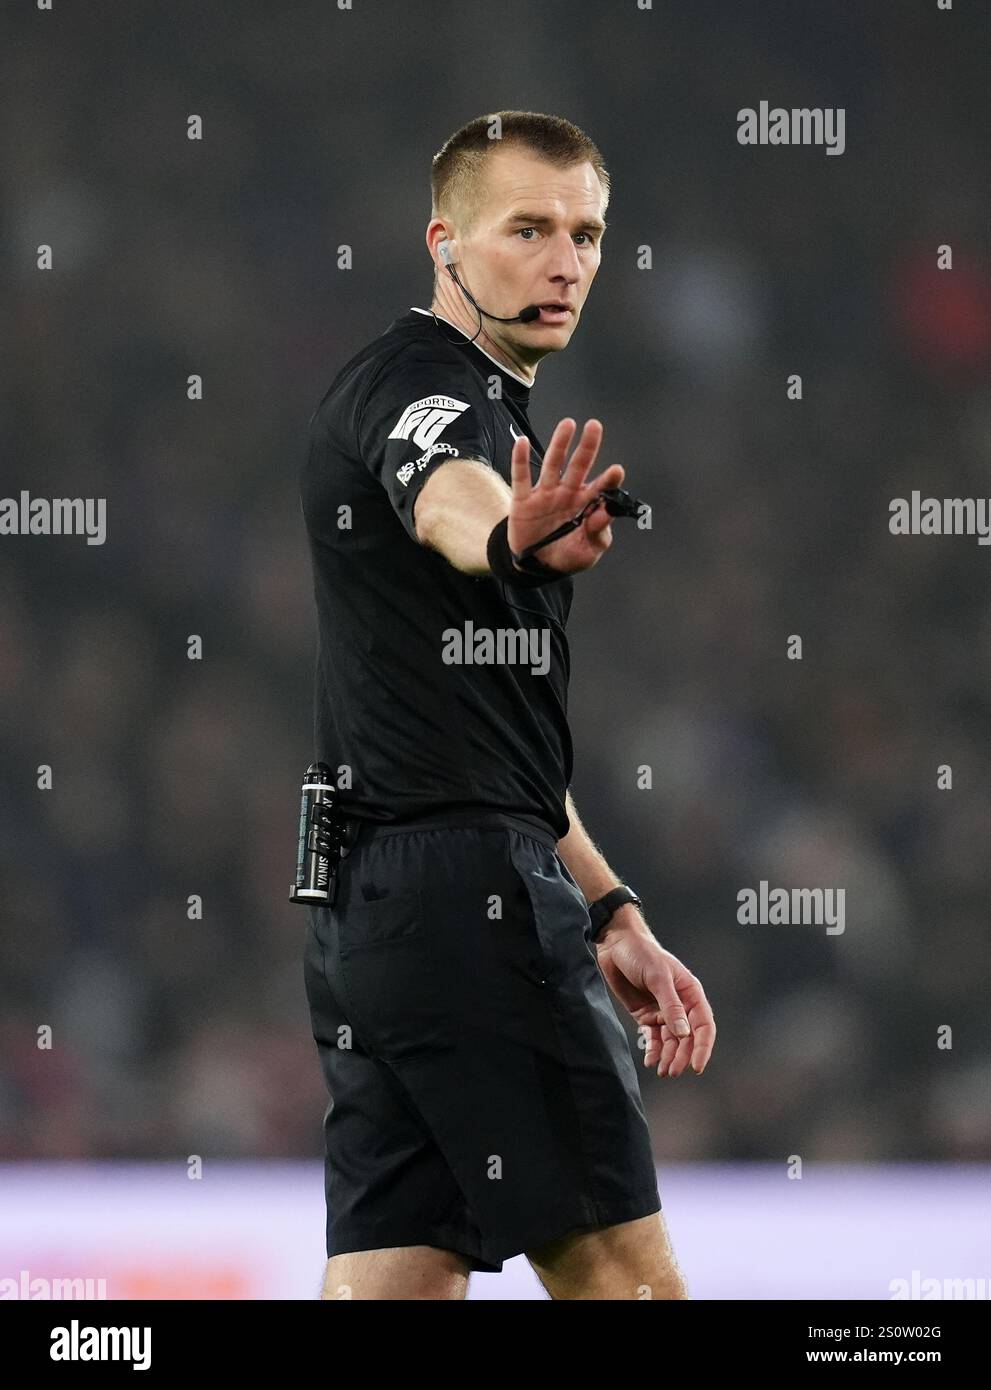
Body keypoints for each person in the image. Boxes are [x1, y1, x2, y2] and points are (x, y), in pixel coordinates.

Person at [299, 110, 715, 1300]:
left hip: (374, 911)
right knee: (624, 1280)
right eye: (527, 229)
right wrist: (505, 540)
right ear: (445, 243)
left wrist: (611, 906)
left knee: (392, 1281)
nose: (564, 261)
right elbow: (447, 492)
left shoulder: (476, 399)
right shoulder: (424, 383)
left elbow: (496, 748)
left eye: (586, 234)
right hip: (466, 902)